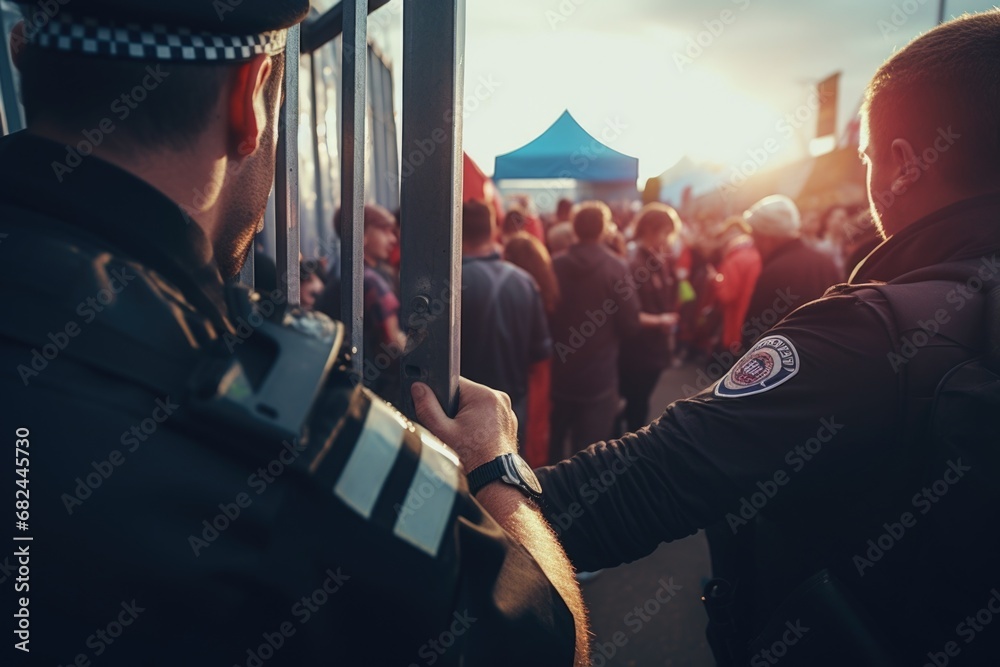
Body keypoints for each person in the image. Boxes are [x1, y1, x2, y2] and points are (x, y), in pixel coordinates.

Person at [0, 2, 587, 664]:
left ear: (23, 52)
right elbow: (545, 644)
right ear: (250, 97)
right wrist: (494, 465)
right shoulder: (300, 431)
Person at [457, 11, 1000, 665]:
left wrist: (490, 466)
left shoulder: (872, 331)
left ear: (905, 162)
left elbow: (643, 485)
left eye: (868, 158)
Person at [548, 201, 641, 459]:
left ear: (574, 229)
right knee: (589, 457)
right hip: (598, 376)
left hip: (560, 372)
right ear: (603, 230)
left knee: (551, 450)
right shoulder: (616, 267)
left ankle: (541, 499)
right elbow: (631, 323)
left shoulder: (554, 265)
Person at [460, 200, 552, 447]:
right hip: (511, 408)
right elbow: (539, 356)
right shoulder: (525, 282)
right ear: (493, 231)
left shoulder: (446, 285)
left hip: (458, 409)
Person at [740, 195, 841, 349]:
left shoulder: (774, 271)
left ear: (768, 238)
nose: (753, 243)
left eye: (755, 236)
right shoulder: (825, 262)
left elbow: (753, 334)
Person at [617, 203, 681, 433]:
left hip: (652, 349)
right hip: (639, 350)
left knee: (638, 402)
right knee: (636, 404)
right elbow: (627, 313)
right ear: (652, 230)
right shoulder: (634, 261)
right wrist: (661, 320)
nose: (668, 239)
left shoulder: (655, 259)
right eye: (666, 232)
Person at [503, 232, 561, 467]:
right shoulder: (547, 287)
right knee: (536, 425)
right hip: (541, 368)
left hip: (520, 369)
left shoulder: (513, 288)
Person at [709, 216, 762, 355]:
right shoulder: (758, 255)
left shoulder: (735, 258)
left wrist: (715, 279)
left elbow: (727, 295)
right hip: (753, 321)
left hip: (735, 323)